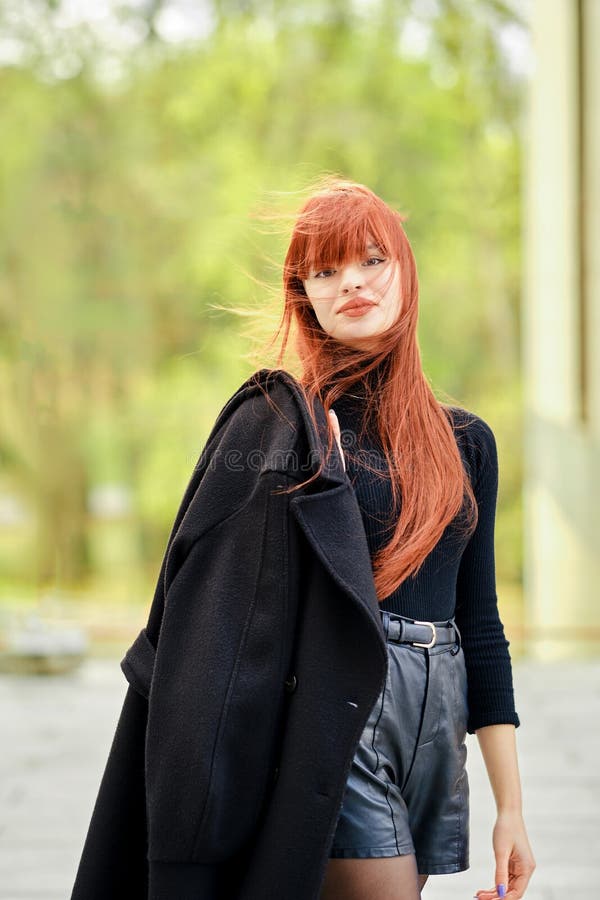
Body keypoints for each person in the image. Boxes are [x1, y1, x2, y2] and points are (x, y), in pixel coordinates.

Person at [70, 178, 535, 900]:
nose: (351, 282)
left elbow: (481, 627)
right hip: (344, 706)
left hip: (435, 723)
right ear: (305, 296)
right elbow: (215, 602)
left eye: (371, 260)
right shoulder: (288, 432)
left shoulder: (467, 442)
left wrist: (511, 809)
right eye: (325, 271)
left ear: (405, 270)